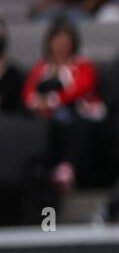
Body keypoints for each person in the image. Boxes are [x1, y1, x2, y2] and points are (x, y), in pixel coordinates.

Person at [21, 19, 106, 192]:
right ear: (50, 43)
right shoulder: (42, 68)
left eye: (65, 42)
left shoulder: (82, 65)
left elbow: (81, 87)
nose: (61, 46)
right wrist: (38, 104)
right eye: (57, 42)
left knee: (78, 125)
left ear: (73, 44)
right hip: (49, 117)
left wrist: (52, 101)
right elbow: (29, 93)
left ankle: (67, 170)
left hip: (79, 113)